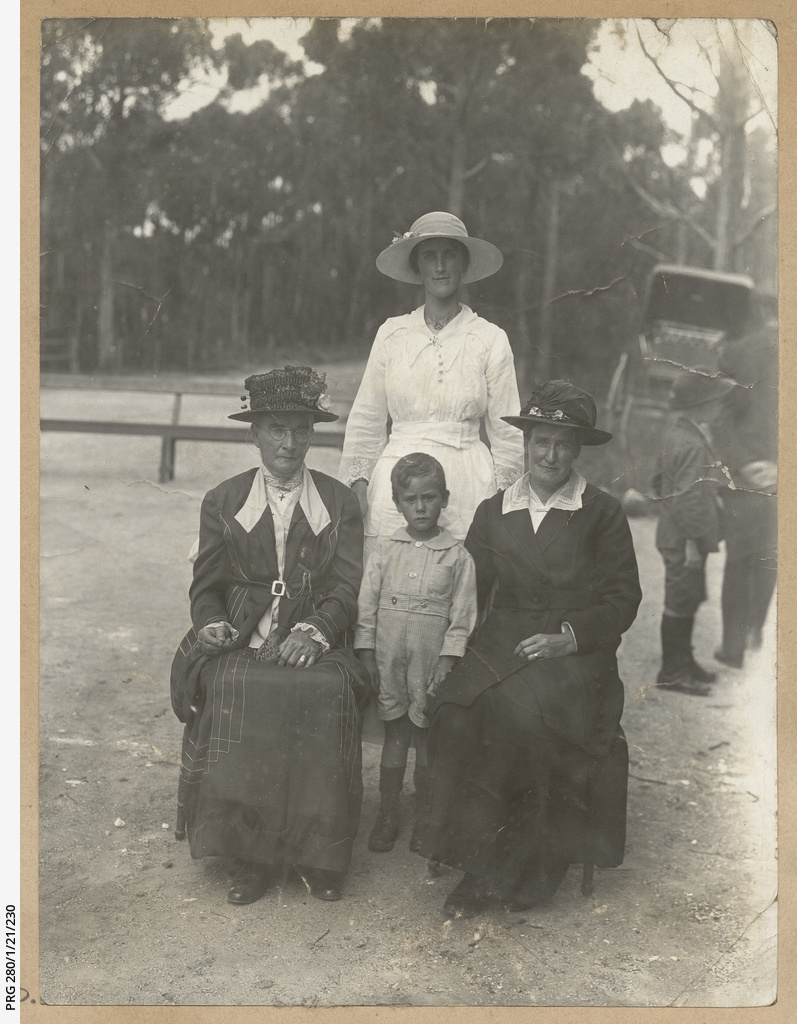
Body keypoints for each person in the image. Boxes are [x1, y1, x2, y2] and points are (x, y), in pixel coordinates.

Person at [418, 381, 642, 918]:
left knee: (529, 722)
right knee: (456, 710)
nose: (550, 455)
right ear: (526, 443)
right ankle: (474, 861)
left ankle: (528, 868)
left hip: (574, 655)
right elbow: (469, 591)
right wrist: (451, 652)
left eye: (564, 444)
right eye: (541, 441)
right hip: (504, 641)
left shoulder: (601, 512)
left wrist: (570, 638)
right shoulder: (495, 510)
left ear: (578, 449)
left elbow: (623, 598)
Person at [170, 366, 369, 906]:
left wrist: (317, 629)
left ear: (313, 433)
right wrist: (210, 623)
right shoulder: (223, 499)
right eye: (276, 429)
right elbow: (206, 586)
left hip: (312, 635)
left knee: (323, 692)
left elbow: (348, 586)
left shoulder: (339, 502)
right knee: (240, 689)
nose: (289, 442)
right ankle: (253, 855)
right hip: (244, 632)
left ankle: (320, 855)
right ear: (254, 432)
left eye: (301, 430)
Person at [339, 211, 524, 545]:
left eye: (450, 255)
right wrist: (359, 485)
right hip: (398, 484)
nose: (440, 267)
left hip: (467, 485)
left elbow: (508, 432)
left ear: (464, 264)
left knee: (462, 584)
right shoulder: (391, 333)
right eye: (429, 256)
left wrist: (502, 501)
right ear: (417, 267)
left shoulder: (490, 338)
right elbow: (367, 419)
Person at [354, 453, 477, 854]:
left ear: (445, 498)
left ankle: (425, 816)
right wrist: (367, 653)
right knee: (394, 732)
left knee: (424, 736)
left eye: (429, 497)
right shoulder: (386, 551)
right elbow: (366, 607)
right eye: (411, 499)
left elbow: (462, 617)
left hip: (429, 662)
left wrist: (448, 660)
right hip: (389, 659)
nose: (420, 507)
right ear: (396, 501)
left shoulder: (457, 558)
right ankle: (388, 812)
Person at [651, 369, 735, 696]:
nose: (722, 407)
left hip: (676, 534)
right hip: (686, 541)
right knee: (680, 602)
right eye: (717, 401)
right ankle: (672, 672)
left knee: (689, 598)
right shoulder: (693, 445)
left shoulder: (678, 434)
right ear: (700, 406)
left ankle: (684, 662)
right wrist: (692, 544)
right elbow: (689, 500)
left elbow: (658, 483)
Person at [713, 321, 778, 668]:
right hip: (767, 478)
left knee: (743, 562)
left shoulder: (744, 349)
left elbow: (721, 420)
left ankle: (735, 645)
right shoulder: (750, 351)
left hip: (752, 477)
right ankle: (750, 632)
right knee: (769, 559)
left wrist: (742, 464)